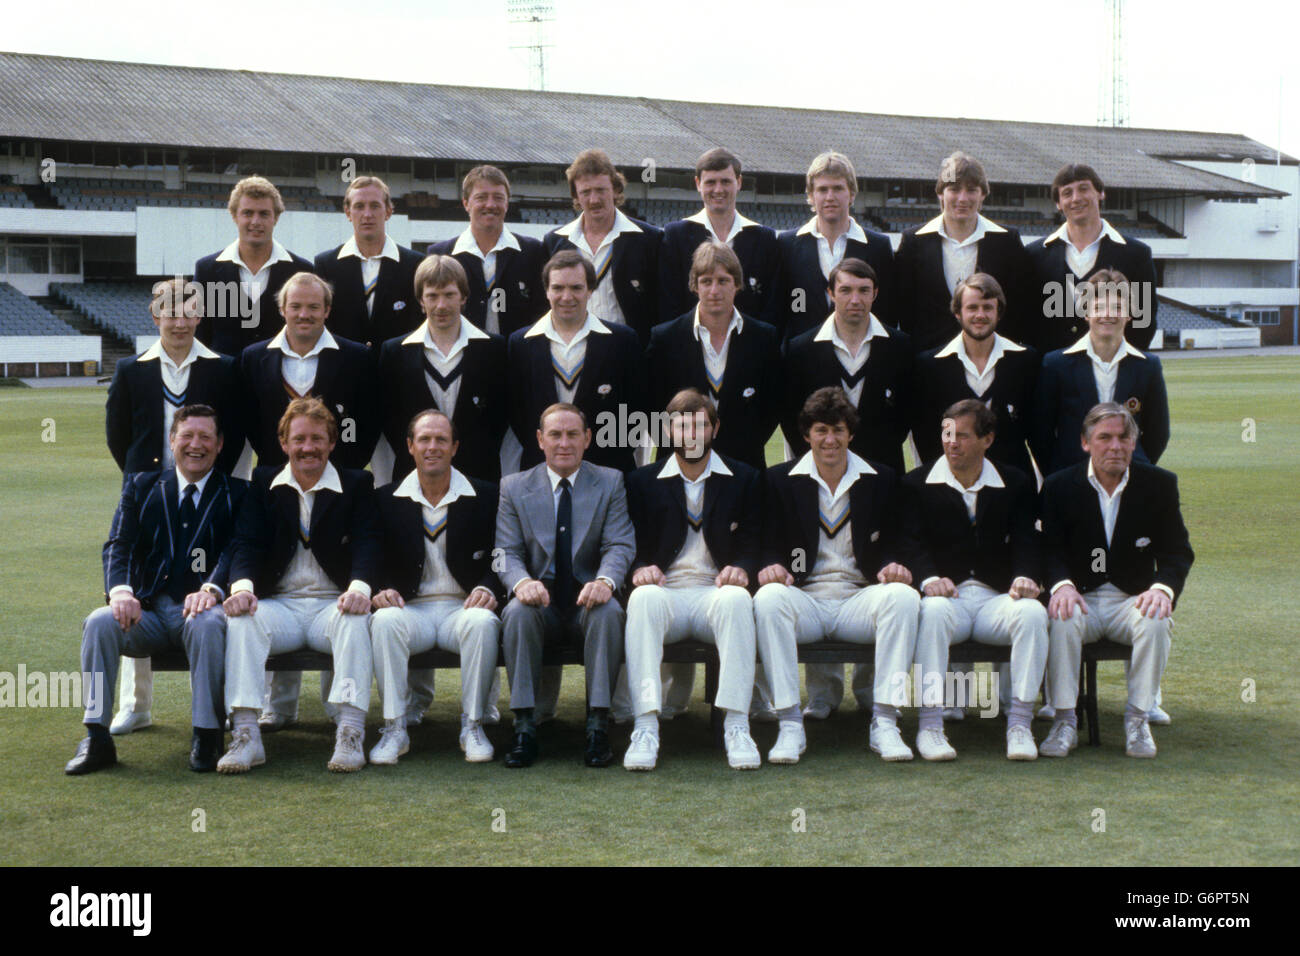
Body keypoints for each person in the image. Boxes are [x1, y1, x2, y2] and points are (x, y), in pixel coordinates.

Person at [65, 405, 248, 774]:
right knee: (99, 622)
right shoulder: (141, 485)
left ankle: (207, 734)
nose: (196, 445)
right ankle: (97, 736)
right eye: (187, 435)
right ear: (172, 440)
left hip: (199, 612)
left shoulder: (238, 493)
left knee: (208, 624)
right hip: (145, 611)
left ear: (220, 444)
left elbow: (238, 548)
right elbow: (120, 543)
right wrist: (120, 592)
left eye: (205, 437)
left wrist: (212, 588)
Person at [103, 278, 243, 736]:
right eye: (170, 310)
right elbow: (119, 436)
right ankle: (135, 705)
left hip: (206, 489)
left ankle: (217, 708)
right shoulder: (131, 369)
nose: (179, 319)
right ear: (154, 314)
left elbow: (234, 433)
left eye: (188, 311)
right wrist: (148, 479)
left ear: (200, 315)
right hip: (148, 494)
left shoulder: (222, 368)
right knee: (138, 588)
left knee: (210, 589)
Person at [753, 387, 921, 763]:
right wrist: (771, 563)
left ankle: (886, 721)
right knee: (768, 598)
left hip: (859, 600)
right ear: (806, 434)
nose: (830, 440)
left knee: (904, 597)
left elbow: (900, 538)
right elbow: (764, 539)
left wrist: (895, 563)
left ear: (851, 434)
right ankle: (790, 723)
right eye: (821, 431)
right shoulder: (779, 479)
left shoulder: (881, 478)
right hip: (806, 600)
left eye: (839, 431)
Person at [216, 398, 381, 774]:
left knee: (357, 620)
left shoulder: (357, 482)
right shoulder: (263, 482)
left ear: (332, 443)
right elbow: (247, 542)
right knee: (242, 620)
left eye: (318, 439)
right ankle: (245, 736)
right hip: (282, 607)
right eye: (300, 439)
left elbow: (369, 541)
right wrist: (242, 588)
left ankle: (351, 731)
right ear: (284, 442)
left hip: (332, 605)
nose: (309, 447)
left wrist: (359, 589)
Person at [1039, 403, 1193, 758]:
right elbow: (1050, 549)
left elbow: (1177, 551)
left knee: (1157, 617)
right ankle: (1064, 719)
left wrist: (1162, 589)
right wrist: (1061, 584)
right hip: (1080, 599)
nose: (1115, 446)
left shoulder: (1159, 484)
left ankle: (1138, 719)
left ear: (1134, 442)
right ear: (1085, 442)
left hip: (1131, 600)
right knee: (1060, 615)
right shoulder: (1060, 486)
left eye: (1124, 438)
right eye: (1104, 437)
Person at [622, 390, 763, 771]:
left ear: (715, 429)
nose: (692, 435)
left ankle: (736, 724)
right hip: (666, 594)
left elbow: (754, 541)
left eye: (701, 426)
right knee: (643, 598)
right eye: (683, 427)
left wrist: (743, 567)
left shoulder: (744, 477)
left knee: (737, 599)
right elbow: (624, 541)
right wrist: (639, 567)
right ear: (669, 431)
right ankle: (646, 725)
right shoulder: (641, 481)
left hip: (713, 594)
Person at [899, 399, 1047, 760]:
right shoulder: (916, 484)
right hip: (948, 600)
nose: (952, 443)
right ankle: (931, 727)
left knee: (1032, 615)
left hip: (997, 599)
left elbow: (1028, 539)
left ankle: (1020, 725)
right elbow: (909, 542)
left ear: (988, 439)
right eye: (947, 434)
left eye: (963, 436)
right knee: (931, 612)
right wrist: (929, 578)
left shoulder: (1015, 482)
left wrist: (1027, 577)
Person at [494, 403, 635, 768]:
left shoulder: (610, 481)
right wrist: (522, 582)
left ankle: (597, 727)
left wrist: (605, 580)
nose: (564, 443)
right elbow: (503, 552)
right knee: (516, 612)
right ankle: (524, 726)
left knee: (609, 611)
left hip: (587, 603)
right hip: (541, 604)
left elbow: (619, 544)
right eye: (555, 435)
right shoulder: (513, 487)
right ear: (540, 440)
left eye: (573, 434)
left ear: (587, 439)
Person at [369, 410, 502, 765]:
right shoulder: (384, 499)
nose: (433, 447)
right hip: (413, 610)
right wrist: (378, 588)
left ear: (455, 447)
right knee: (384, 621)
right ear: (410, 446)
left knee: (483, 623)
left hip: (462, 608)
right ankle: (394, 728)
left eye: (441, 440)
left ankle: (473, 725)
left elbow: (503, 554)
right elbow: (371, 556)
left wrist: (491, 586)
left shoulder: (487, 496)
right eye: (424, 440)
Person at [645, 241, 781, 472]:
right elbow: (652, 406)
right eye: (706, 281)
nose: (714, 291)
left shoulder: (763, 337)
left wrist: (745, 444)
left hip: (743, 467)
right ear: (695, 286)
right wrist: (682, 444)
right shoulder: (665, 338)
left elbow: (772, 406)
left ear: (737, 284)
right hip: (681, 464)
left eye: (723, 281)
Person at [506, 250, 645, 474]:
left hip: (607, 469)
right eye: (558, 288)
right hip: (541, 469)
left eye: (576, 288)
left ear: (590, 290)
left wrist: (610, 455)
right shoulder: (520, 344)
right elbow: (517, 414)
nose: (567, 296)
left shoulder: (623, 340)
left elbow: (636, 408)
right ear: (546, 291)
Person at [377, 254, 508, 483]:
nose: (441, 305)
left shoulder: (494, 349)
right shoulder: (395, 352)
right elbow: (390, 419)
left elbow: (500, 419)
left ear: (464, 297)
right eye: (432, 296)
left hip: (478, 477)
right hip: (414, 478)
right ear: (420, 300)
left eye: (449, 295)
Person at [1032, 269, 1169, 476]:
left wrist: (1134, 465)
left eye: (1116, 307)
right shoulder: (1056, 364)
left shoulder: (1148, 366)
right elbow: (1040, 433)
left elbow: (1158, 433)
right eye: (1099, 307)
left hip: (1128, 477)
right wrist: (1059, 474)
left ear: (1129, 313)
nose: (1107, 314)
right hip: (1070, 476)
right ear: (1086, 314)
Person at [892, 151, 1035, 351]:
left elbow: (1019, 306)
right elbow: (904, 308)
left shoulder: (1007, 242)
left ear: (982, 194)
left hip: (992, 359)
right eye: (954, 189)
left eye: (971, 190)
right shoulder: (913, 242)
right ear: (941, 193)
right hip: (928, 361)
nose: (962, 198)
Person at [239, 272, 379, 473]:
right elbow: (251, 422)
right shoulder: (253, 359)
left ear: (327, 310)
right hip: (274, 478)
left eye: (313, 307)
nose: (304, 314)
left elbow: (365, 422)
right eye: (295, 306)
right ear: (282, 309)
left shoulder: (357, 358)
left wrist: (346, 466)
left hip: (339, 478)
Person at [912, 273, 1039, 479]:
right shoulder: (931, 365)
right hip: (951, 482)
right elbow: (926, 434)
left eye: (988, 307)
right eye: (972, 307)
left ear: (999, 312)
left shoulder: (1025, 361)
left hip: (1012, 485)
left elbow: (1035, 430)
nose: (980, 315)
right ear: (957, 313)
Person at [1024, 163, 1159, 353]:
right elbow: (1027, 322)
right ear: (1058, 203)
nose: (1076, 198)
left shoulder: (1136, 254)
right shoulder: (1034, 255)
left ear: (1100, 193)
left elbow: (1143, 321)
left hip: (1112, 372)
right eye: (1067, 193)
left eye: (1084, 189)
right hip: (1050, 374)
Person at [771, 151, 895, 341]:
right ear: (811, 196)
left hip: (859, 356)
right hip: (800, 360)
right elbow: (780, 313)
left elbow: (886, 313)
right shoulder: (787, 244)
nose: (830, 197)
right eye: (822, 190)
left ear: (852, 194)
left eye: (838, 188)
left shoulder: (878, 246)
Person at [543, 148, 661, 346]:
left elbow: (660, 307)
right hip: (573, 352)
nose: (594, 200)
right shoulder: (554, 242)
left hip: (630, 353)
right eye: (585, 192)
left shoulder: (650, 239)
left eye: (600, 190)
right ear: (576, 196)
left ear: (615, 189)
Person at [194, 176, 314, 357]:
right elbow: (200, 334)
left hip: (281, 380)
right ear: (234, 216)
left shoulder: (301, 271)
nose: (256, 221)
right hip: (225, 380)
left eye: (264, 214)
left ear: (276, 218)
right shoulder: (207, 270)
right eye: (248, 213)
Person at [657, 147, 779, 324]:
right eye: (711, 182)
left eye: (725, 181)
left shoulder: (764, 238)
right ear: (698, 183)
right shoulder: (676, 236)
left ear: (739, 182)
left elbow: (772, 305)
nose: (718, 189)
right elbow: (669, 302)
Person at [428, 165, 547, 337]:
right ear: (466, 203)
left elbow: (542, 313)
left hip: (517, 359)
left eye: (498, 197)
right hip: (464, 358)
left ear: (507, 203)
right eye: (481, 197)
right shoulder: (441, 254)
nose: (490, 205)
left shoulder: (532, 252)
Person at [313, 175, 423, 349]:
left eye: (375, 206)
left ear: (388, 211)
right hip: (344, 370)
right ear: (348, 213)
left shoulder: (415, 264)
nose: (367, 214)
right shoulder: (326, 265)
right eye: (359, 206)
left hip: (396, 371)